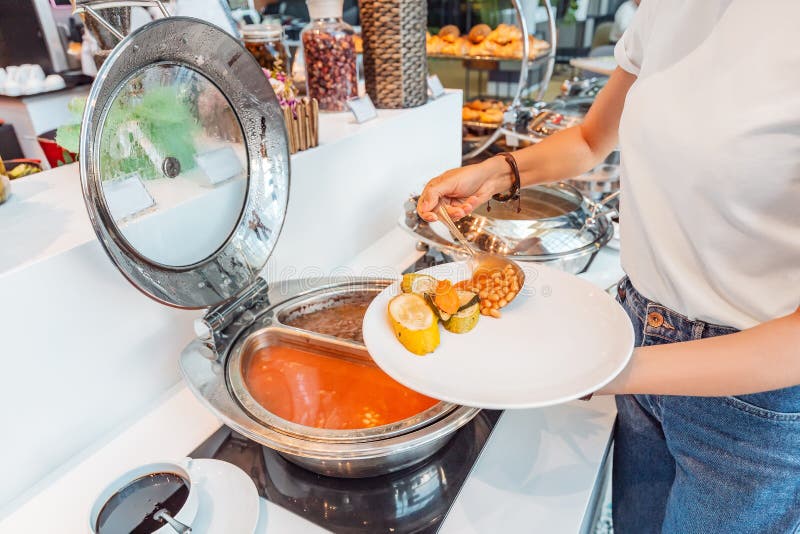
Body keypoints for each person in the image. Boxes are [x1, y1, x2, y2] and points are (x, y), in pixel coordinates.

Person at [417, 1, 800, 532]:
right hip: (639, 332)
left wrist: (601, 369)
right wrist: (496, 173)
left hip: (750, 407)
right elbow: (591, 139)